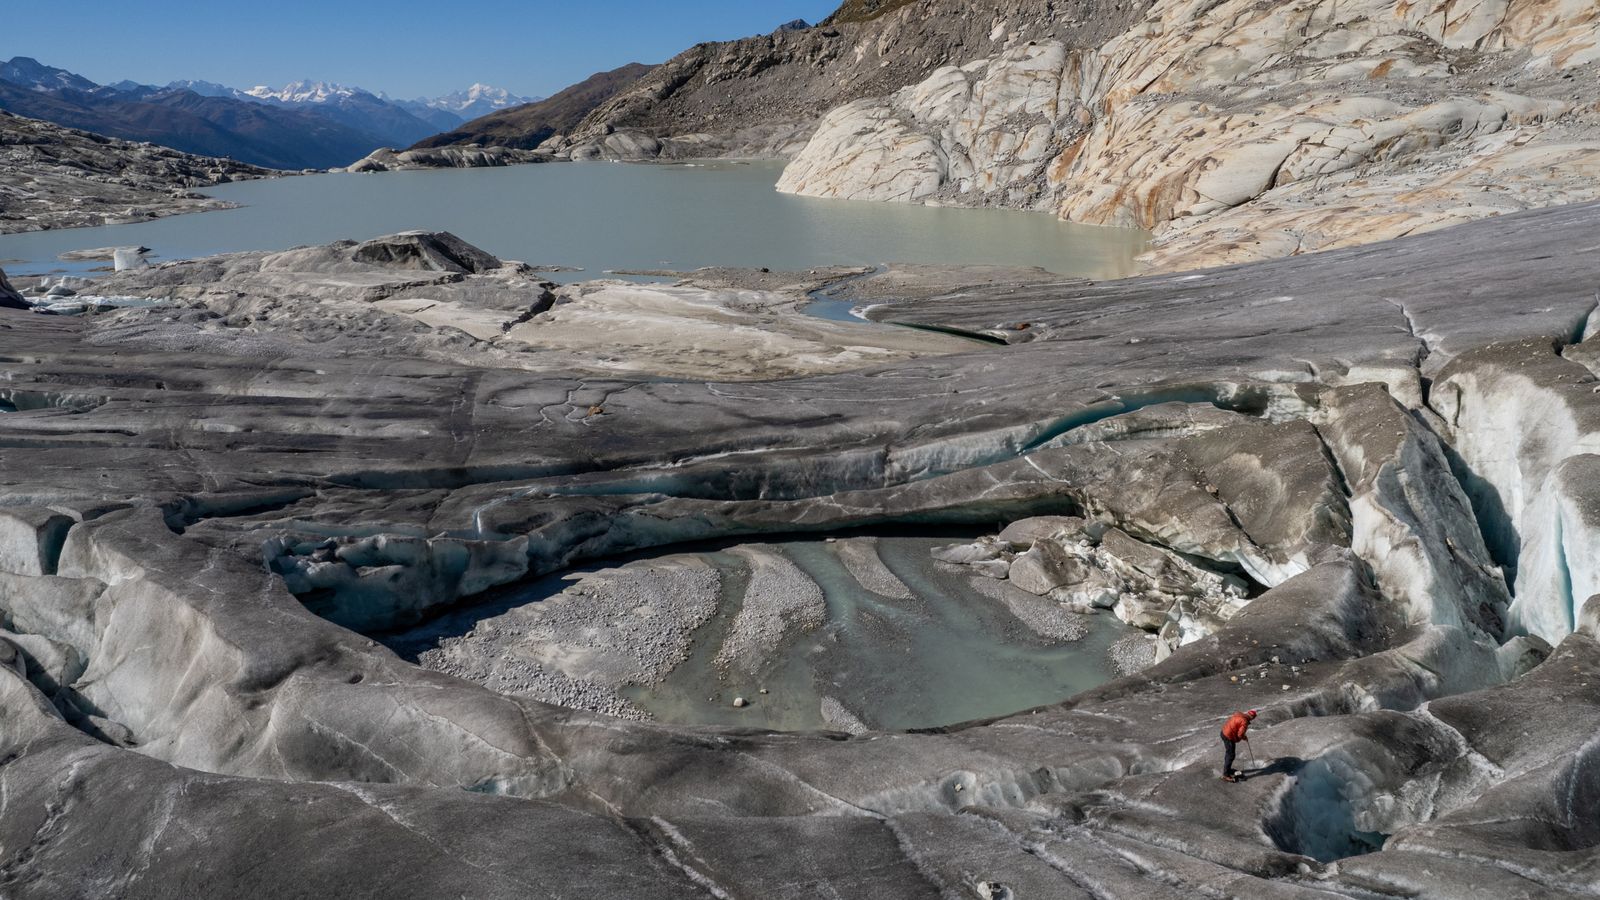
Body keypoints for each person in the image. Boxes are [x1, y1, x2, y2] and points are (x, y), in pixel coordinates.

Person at [1220, 709, 1257, 782]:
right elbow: (1240, 734)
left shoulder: (1238, 714)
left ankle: (1227, 769)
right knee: (1230, 755)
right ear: (1253, 717)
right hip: (1228, 737)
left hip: (1224, 732)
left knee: (1229, 754)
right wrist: (1244, 737)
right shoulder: (1244, 722)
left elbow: (1235, 725)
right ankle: (1225, 775)